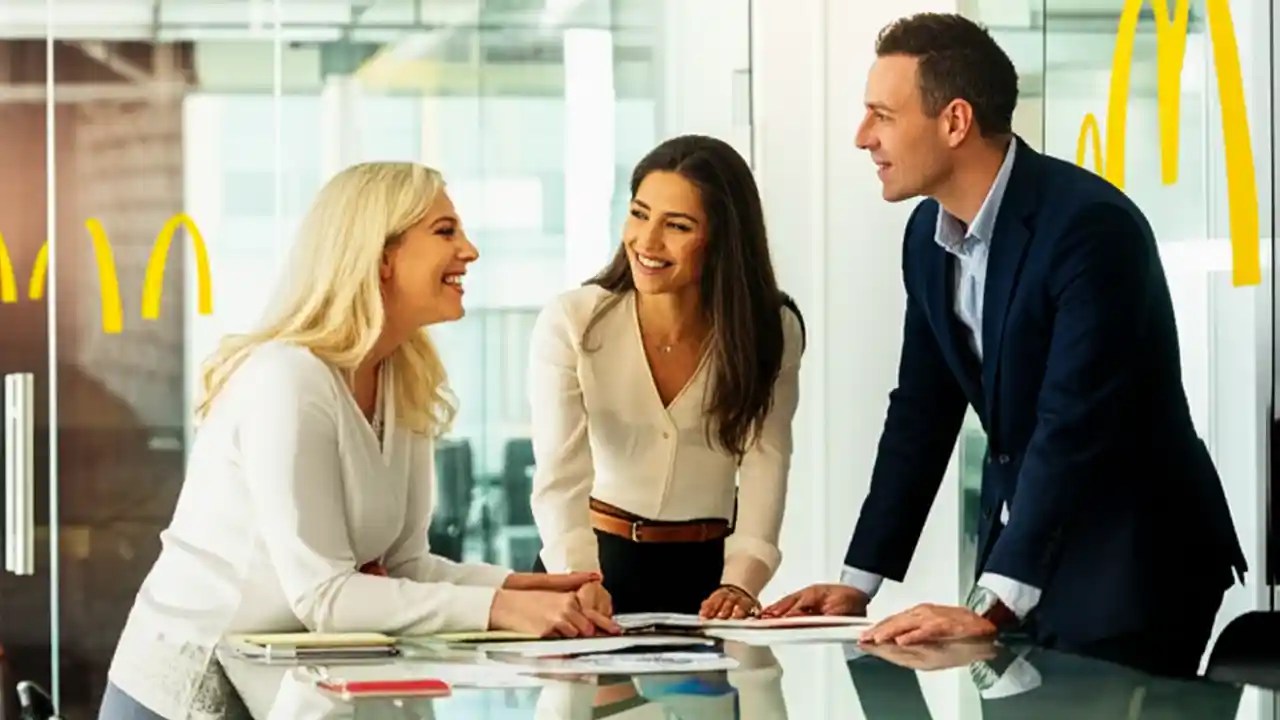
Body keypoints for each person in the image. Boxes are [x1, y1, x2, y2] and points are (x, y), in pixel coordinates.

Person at [763, 13, 1247, 677]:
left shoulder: (1088, 229)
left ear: (955, 121)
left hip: (1134, 559)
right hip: (1029, 551)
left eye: (882, 114)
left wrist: (993, 603)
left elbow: (1071, 424)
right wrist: (861, 582)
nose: (862, 137)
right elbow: (921, 414)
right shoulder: (927, 237)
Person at [99, 161, 618, 720]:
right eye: (445, 231)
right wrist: (501, 608)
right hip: (186, 691)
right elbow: (325, 596)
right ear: (381, 256)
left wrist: (530, 590)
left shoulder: (403, 378)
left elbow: (404, 566)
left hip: (283, 684)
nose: (469, 251)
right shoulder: (290, 380)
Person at [528, 134, 805, 619]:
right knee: (588, 697)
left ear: (722, 236)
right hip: (589, 567)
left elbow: (768, 458)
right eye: (639, 214)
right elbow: (560, 477)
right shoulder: (572, 321)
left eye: (677, 225)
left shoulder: (771, 328)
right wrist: (580, 577)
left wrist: (742, 581)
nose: (647, 241)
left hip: (710, 579)